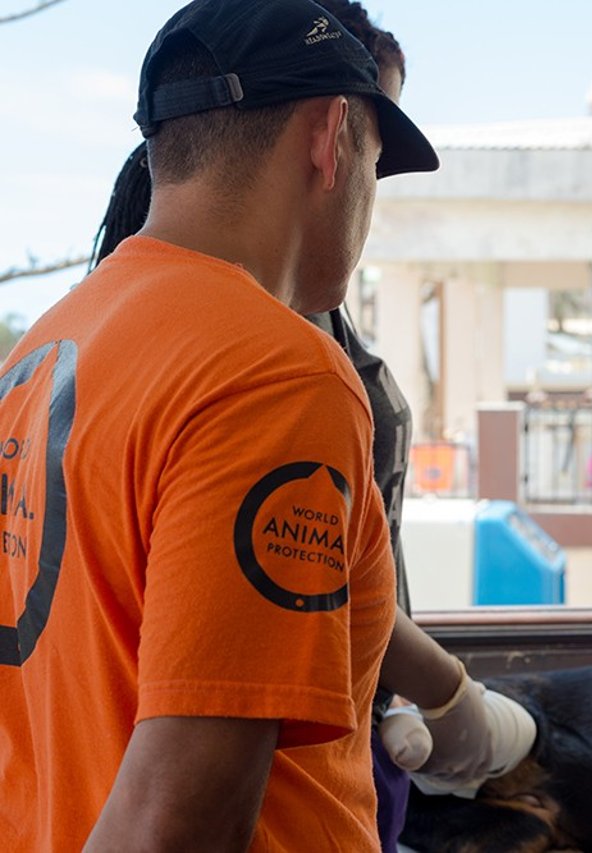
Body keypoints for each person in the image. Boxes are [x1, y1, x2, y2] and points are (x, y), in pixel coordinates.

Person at [0, 0, 497, 848]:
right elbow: (179, 823)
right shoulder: (275, 373)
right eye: (376, 163)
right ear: (331, 135)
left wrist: (447, 690)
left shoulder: (46, 348)